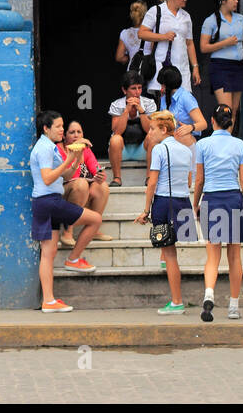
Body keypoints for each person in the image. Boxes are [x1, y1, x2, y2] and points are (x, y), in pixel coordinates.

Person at [29, 110, 104, 314]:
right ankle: (73, 259)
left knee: (49, 253)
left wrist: (76, 158)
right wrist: (66, 161)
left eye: (63, 126)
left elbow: (66, 175)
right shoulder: (44, 148)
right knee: (95, 219)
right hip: (49, 201)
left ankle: (49, 301)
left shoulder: (50, 147)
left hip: (46, 201)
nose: (62, 130)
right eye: (59, 127)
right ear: (46, 129)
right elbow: (47, 178)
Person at [193, 105, 243, 321]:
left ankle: (209, 293)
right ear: (231, 122)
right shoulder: (240, 145)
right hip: (233, 198)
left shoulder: (202, 144)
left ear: (212, 121)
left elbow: (199, 179)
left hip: (211, 199)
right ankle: (234, 306)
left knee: (212, 256)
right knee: (234, 255)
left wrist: (195, 203)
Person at [135, 110, 198, 314]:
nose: (150, 132)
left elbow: (152, 182)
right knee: (171, 253)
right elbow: (189, 181)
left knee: (169, 255)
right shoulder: (187, 151)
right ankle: (177, 298)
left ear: (163, 129)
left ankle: (177, 301)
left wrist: (146, 210)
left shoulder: (159, 150)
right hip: (183, 202)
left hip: (163, 203)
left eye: (152, 129)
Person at [198, 0, 243, 118]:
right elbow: (203, 47)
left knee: (235, 110)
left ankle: (229, 138)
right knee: (226, 110)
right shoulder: (211, 21)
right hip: (220, 67)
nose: (237, 1)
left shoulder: (240, 19)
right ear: (223, 0)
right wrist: (225, 43)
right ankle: (222, 137)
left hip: (239, 66)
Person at [137, 0, 200, 94]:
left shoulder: (186, 16)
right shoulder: (156, 11)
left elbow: (190, 44)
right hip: (162, 68)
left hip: (183, 70)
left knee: (181, 108)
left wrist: (195, 67)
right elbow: (141, 33)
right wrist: (164, 36)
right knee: (164, 109)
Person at [58, 121, 110, 248]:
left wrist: (100, 174)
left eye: (79, 132)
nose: (76, 135)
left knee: (102, 185)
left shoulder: (85, 150)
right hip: (64, 196)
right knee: (81, 183)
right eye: (72, 132)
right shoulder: (59, 149)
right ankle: (68, 231)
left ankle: (93, 229)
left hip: (83, 195)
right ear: (65, 136)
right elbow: (70, 176)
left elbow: (95, 167)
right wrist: (76, 150)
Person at [106, 70, 158, 187]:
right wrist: (126, 110)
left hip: (142, 150)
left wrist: (142, 111)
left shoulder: (149, 103)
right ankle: (117, 178)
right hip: (123, 151)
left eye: (139, 88)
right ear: (124, 90)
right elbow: (117, 131)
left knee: (153, 138)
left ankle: (149, 178)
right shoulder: (116, 104)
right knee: (115, 139)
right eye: (133, 88)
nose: (137, 92)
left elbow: (149, 130)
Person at [154, 65, 207, 147]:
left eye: (162, 85)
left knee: (180, 137)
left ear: (167, 85)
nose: (161, 88)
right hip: (170, 135)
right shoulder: (164, 97)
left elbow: (203, 124)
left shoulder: (186, 97)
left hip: (189, 135)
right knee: (150, 139)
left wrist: (190, 127)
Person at [115, 0, 149, 70]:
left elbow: (119, 57)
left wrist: (131, 59)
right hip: (149, 72)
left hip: (133, 72)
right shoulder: (152, 31)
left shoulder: (125, 33)